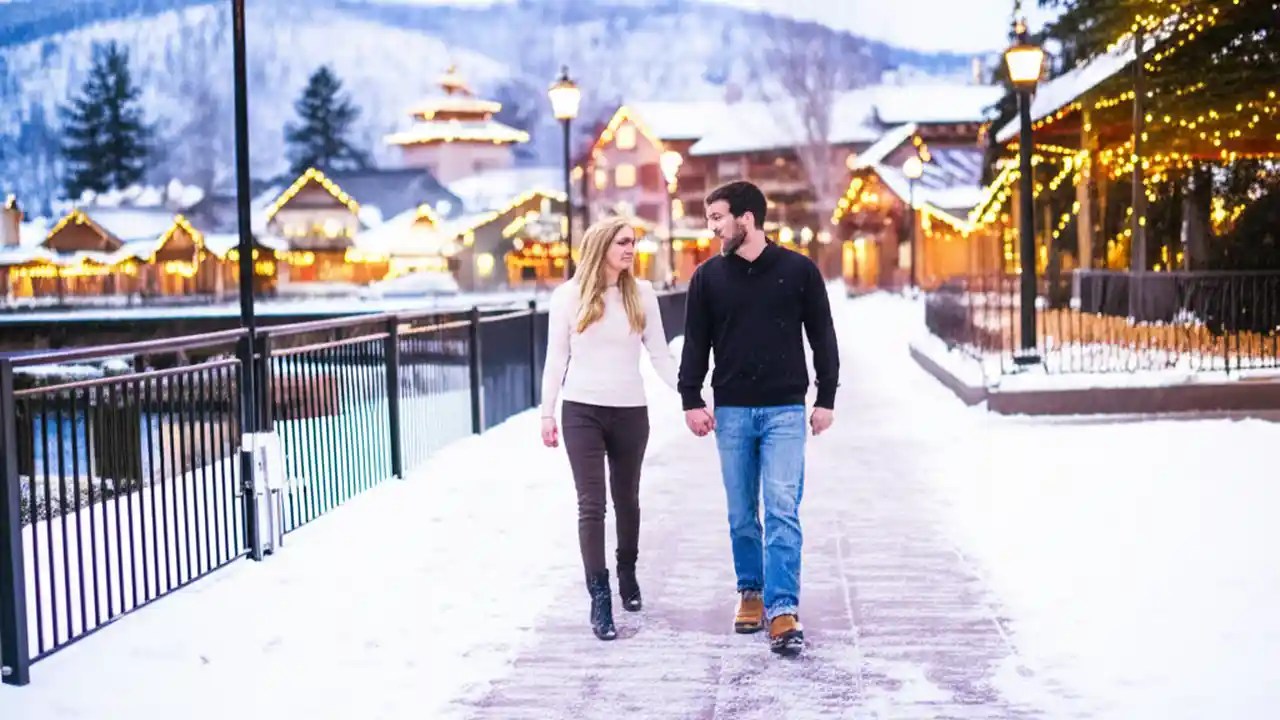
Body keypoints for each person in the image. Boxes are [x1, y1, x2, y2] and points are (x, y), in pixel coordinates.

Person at [677, 180, 840, 657]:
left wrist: (825, 397)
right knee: (741, 513)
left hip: (786, 409)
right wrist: (691, 398)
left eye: (717, 219)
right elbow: (695, 343)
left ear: (746, 218)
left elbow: (823, 337)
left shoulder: (799, 271)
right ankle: (750, 591)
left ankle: (783, 607)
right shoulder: (707, 278)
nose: (713, 229)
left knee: (783, 508)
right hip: (731, 412)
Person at [540, 216, 680, 641]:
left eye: (633, 242)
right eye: (622, 242)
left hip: (630, 410)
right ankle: (599, 598)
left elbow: (659, 354)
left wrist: (691, 396)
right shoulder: (568, 297)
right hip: (582, 409)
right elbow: (555, 359)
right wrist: (547, 412)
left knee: (628, 500)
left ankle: (627, 574)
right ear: (601, 245)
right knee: (591, 504)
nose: (630, 249)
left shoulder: (642, 295)